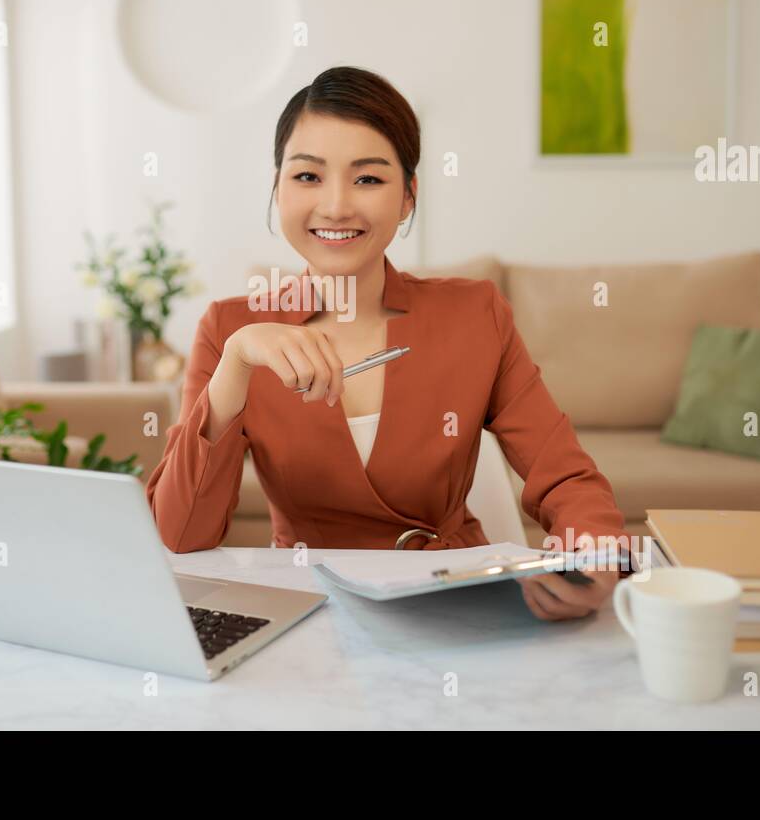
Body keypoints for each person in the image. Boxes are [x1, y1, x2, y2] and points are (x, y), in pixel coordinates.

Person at [145, 66, 627, 620]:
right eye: (307, 177)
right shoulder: (230, 330)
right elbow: (180, 534)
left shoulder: (474, 314)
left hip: (453, 604)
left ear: (407, 197)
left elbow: (564, 475)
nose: (335, 206)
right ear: (277, 188)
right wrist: (235, 365)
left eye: (368, 179)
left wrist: (594, 561)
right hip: (311, 611)